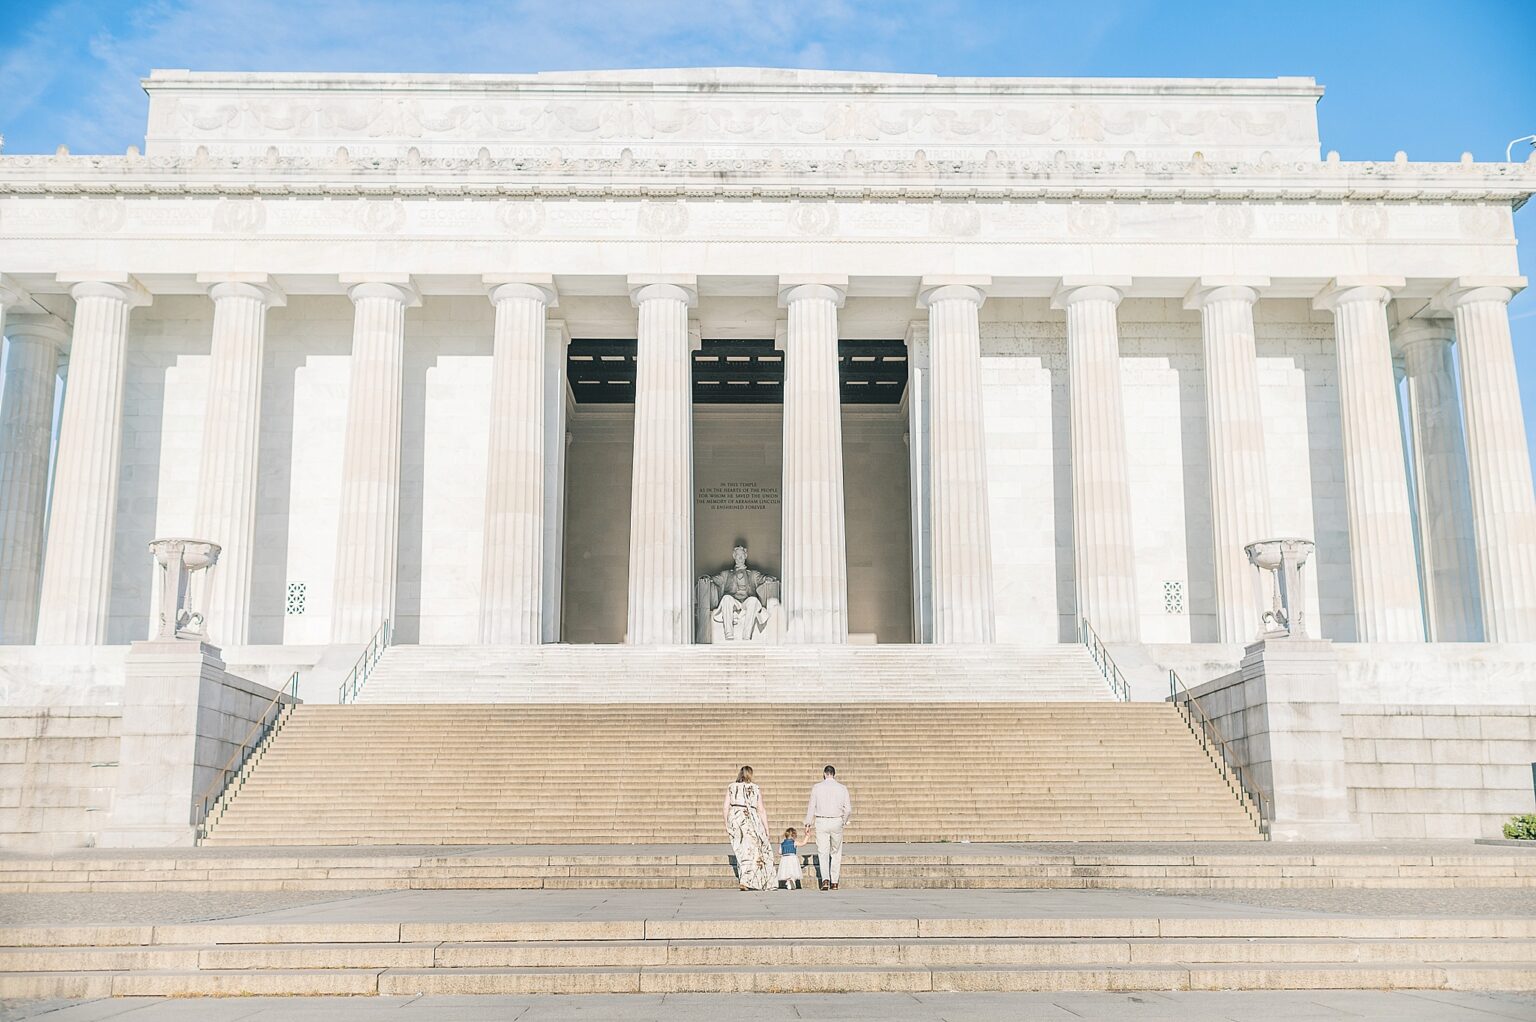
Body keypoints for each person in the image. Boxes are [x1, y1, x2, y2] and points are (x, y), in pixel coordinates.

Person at [724, 765, 774, 891]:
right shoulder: (755, 788)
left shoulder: (731, 787)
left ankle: (745, 879)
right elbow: (761, 809)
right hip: (751, 818)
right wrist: (766, 828)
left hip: (736, 818)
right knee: (754, 851)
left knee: (742, 851)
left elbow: (725, 807)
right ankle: (750, 880)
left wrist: (726, 823)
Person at [803, 764, 852, 891]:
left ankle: (825, 879)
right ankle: (834, 881)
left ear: (824, 774)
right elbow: (848, 809)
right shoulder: (842, 788)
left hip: (821, 821)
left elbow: (811, 807)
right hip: (836, 820)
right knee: (836, 852)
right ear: (833, 774)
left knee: (823, 852)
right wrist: (843, 821)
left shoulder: (817, 787)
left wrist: (808, 823)